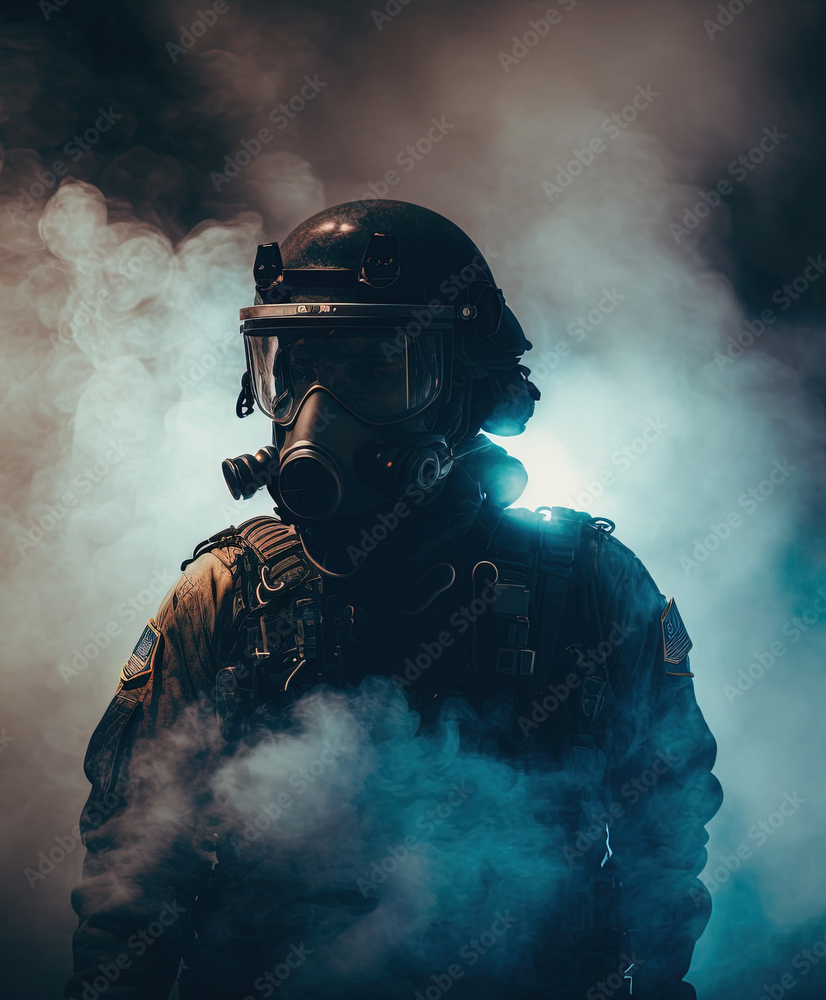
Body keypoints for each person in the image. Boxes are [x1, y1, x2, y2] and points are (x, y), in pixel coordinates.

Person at [66, 200, 722, 1000]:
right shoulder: (227, 595)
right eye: (295, 369)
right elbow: (134, 874)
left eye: (373, 368)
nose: (316, 415)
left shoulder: (588, 587)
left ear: (463, 393)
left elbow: (666, 839)